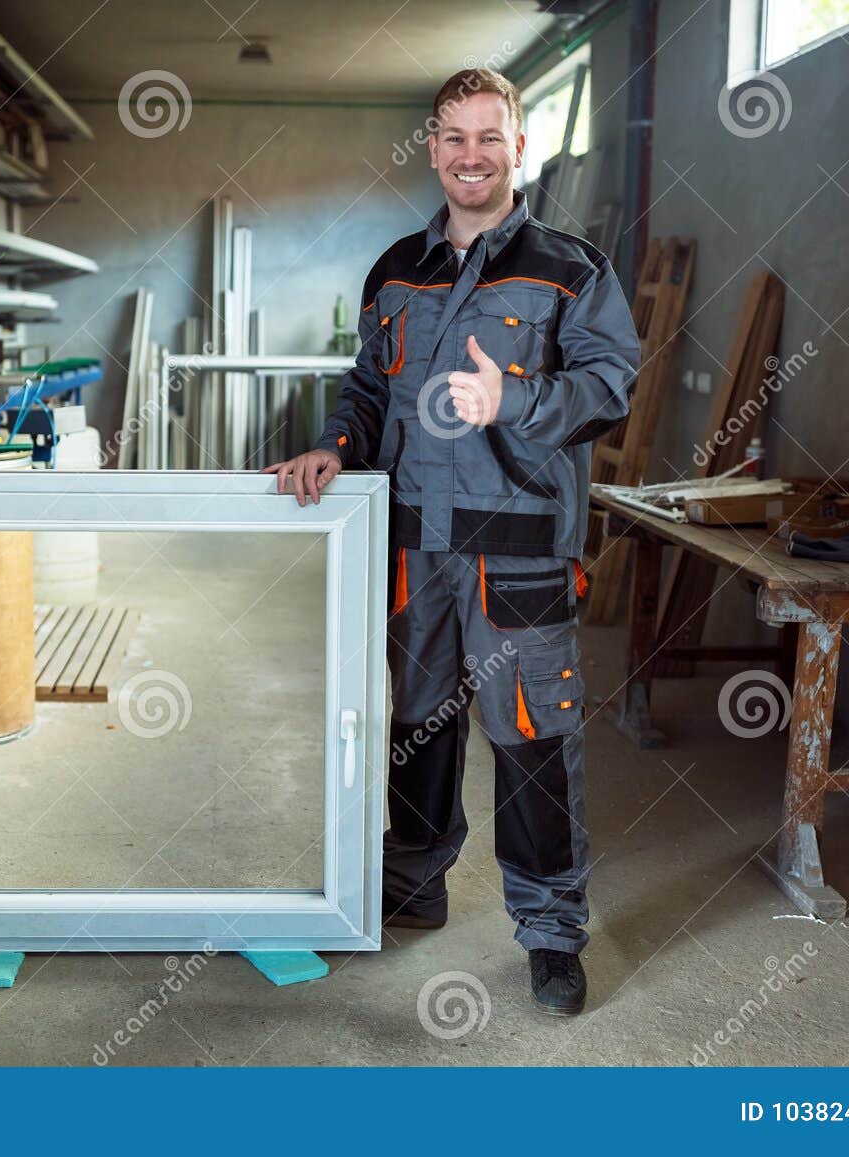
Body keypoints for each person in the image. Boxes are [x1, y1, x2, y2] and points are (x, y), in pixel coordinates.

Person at [265, 68, 641, 1014]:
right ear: (432, 148)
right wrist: (332, 446)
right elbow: (366, 389)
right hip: (413, 547)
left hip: (517, 550)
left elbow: (611, 387)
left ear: (519, 148)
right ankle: (415, 881)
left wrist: (513, 398)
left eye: (490, 136)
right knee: (416, 725)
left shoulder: (571, 267)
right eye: (454, 137)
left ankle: (552, 930)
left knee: (533, 738)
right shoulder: (395, 269)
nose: (472, 155)